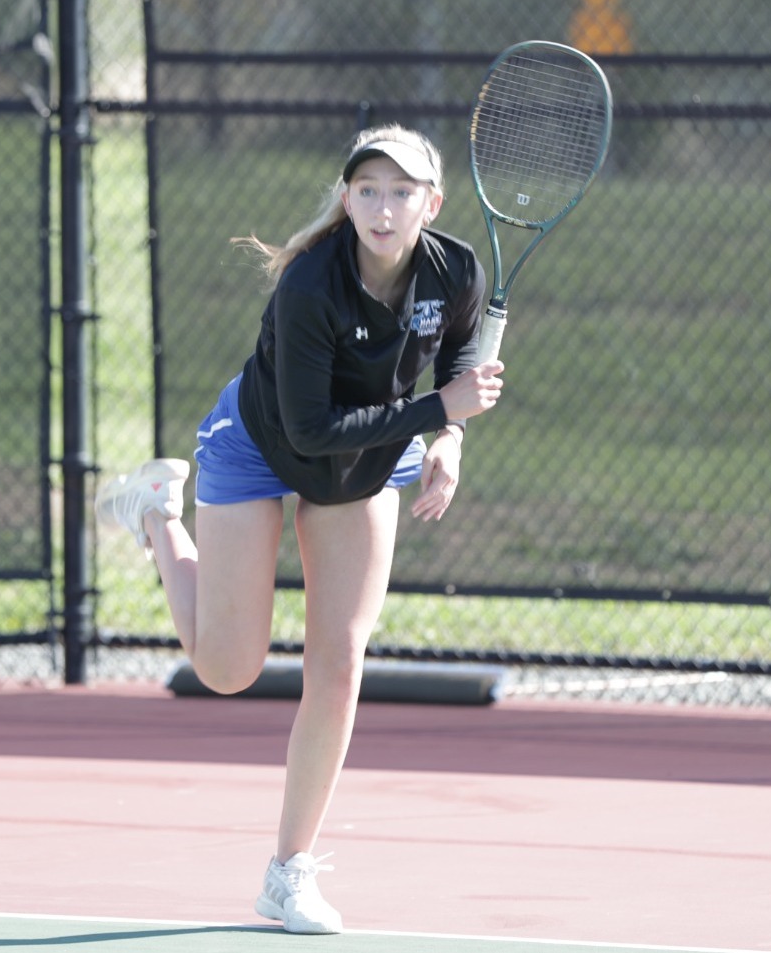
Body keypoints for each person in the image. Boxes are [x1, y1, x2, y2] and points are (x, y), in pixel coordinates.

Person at [95, 124, 504, 935]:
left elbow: (460, 366)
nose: (383, 208)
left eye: (401, 191)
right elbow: (313, 430)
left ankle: (288, 872)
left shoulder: (455, 270)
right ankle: (155, 512)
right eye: (368, 190)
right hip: (266, 443)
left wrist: (450, 438)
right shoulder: (310, 285)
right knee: (225, 667)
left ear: (433, 202)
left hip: (368, 458)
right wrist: (436, 415)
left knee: (340, 661)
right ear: (347, 196)